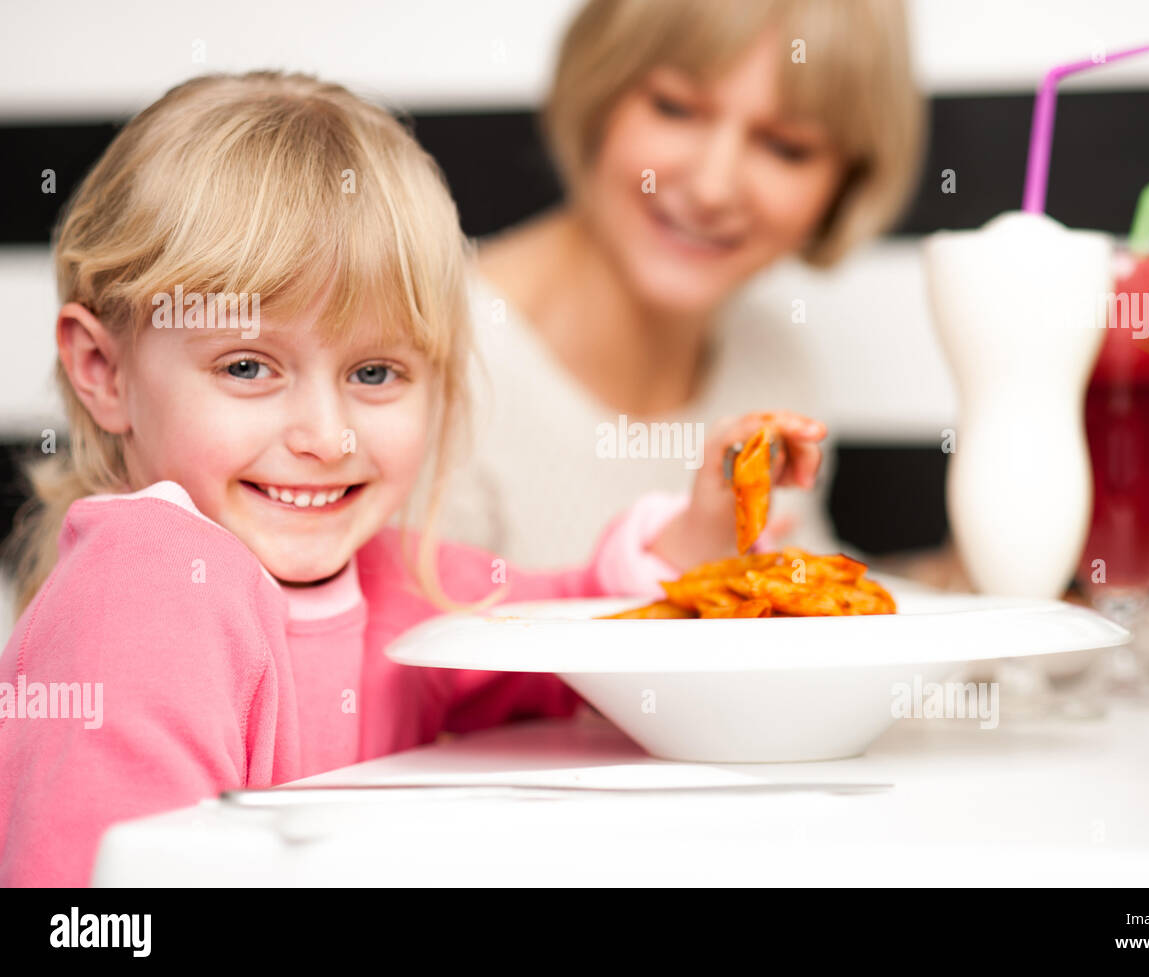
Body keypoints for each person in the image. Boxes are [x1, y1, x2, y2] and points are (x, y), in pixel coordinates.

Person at [0, 71, 828, 886]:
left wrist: (699, 534)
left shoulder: (395, 581)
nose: (326, 437)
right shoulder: (147, 585)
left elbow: (566, 637)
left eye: (374, 374)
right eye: (248, 366)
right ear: (103, 371)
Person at [434, 0, 925, 568]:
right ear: (599, 94)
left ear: (845, 183)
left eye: (786, 146)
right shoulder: (424, 358)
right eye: (675, 108)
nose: (713, 188)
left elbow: (801, 604)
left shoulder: (771, 363)